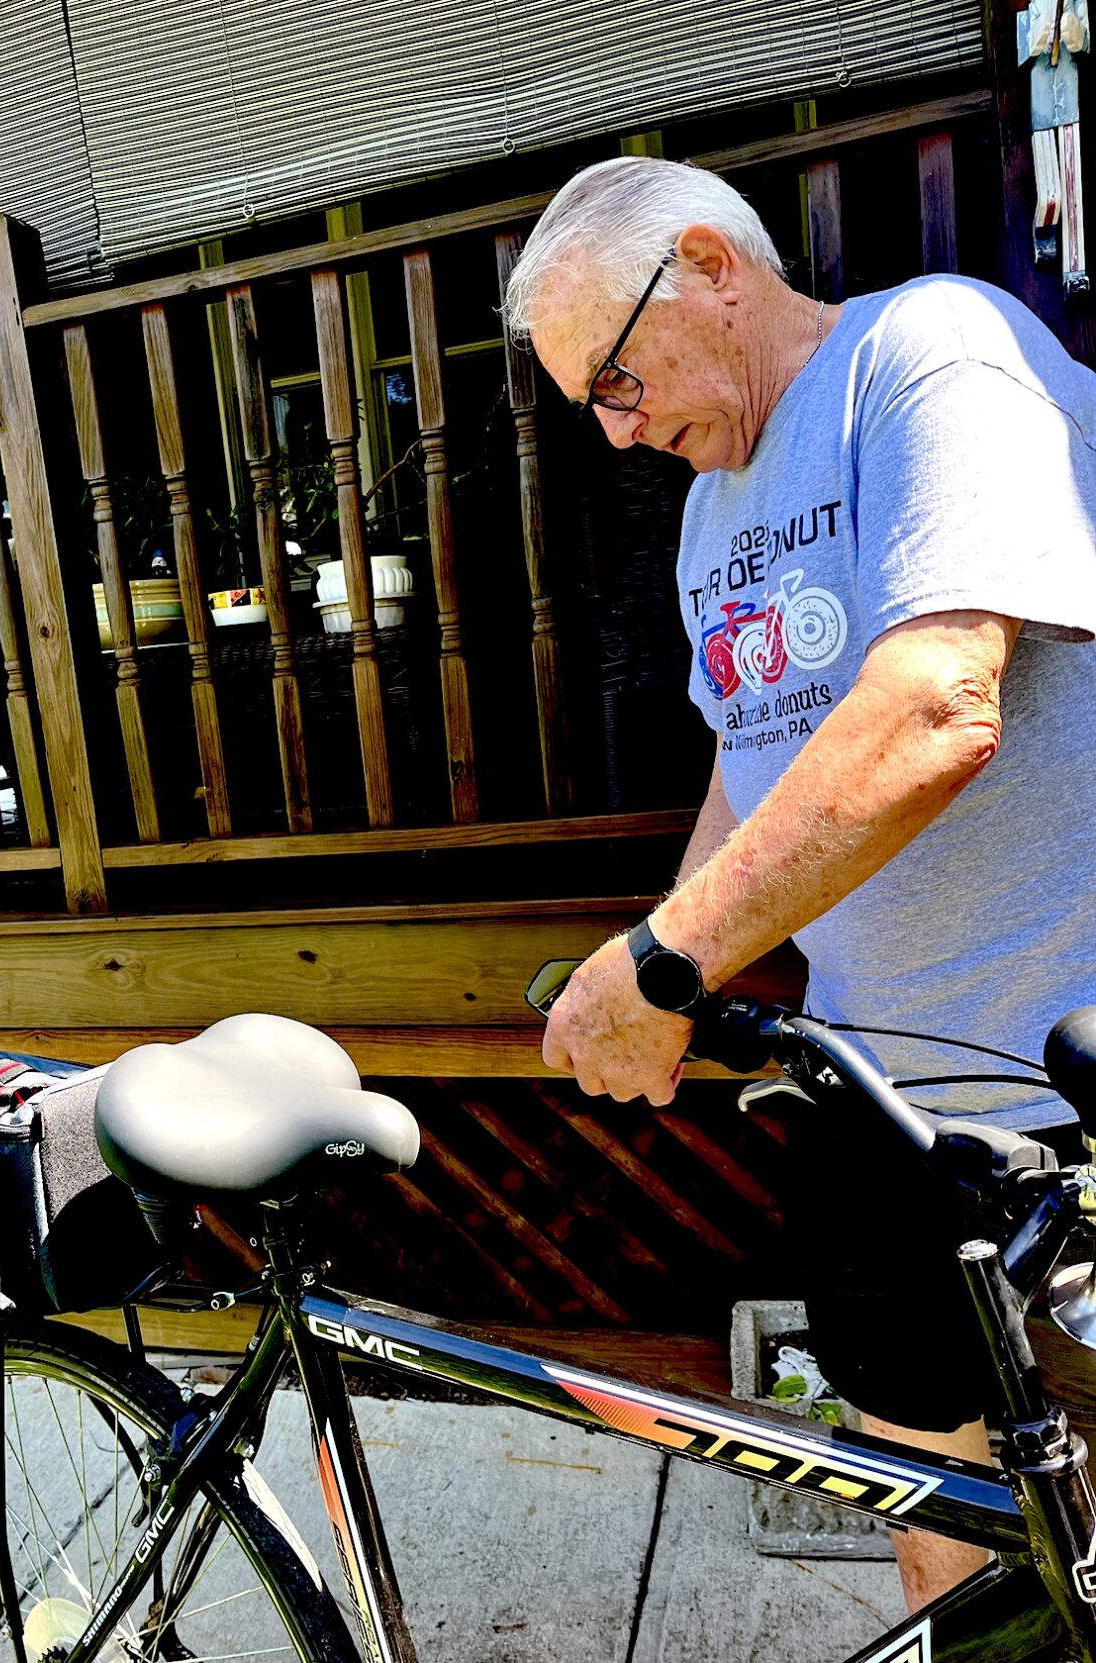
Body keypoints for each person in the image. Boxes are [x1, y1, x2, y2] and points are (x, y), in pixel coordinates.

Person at [502, 154, 1096, 1611]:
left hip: (1062, 1099)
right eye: (595, 405)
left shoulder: (929, 351)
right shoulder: (714, 514)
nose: (622, 434)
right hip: (880, 1110)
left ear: (709, 262)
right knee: (952, 1551)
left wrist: (662, 966)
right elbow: (745, 765)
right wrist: (681, 951)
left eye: (620, 381)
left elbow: (939, 701)